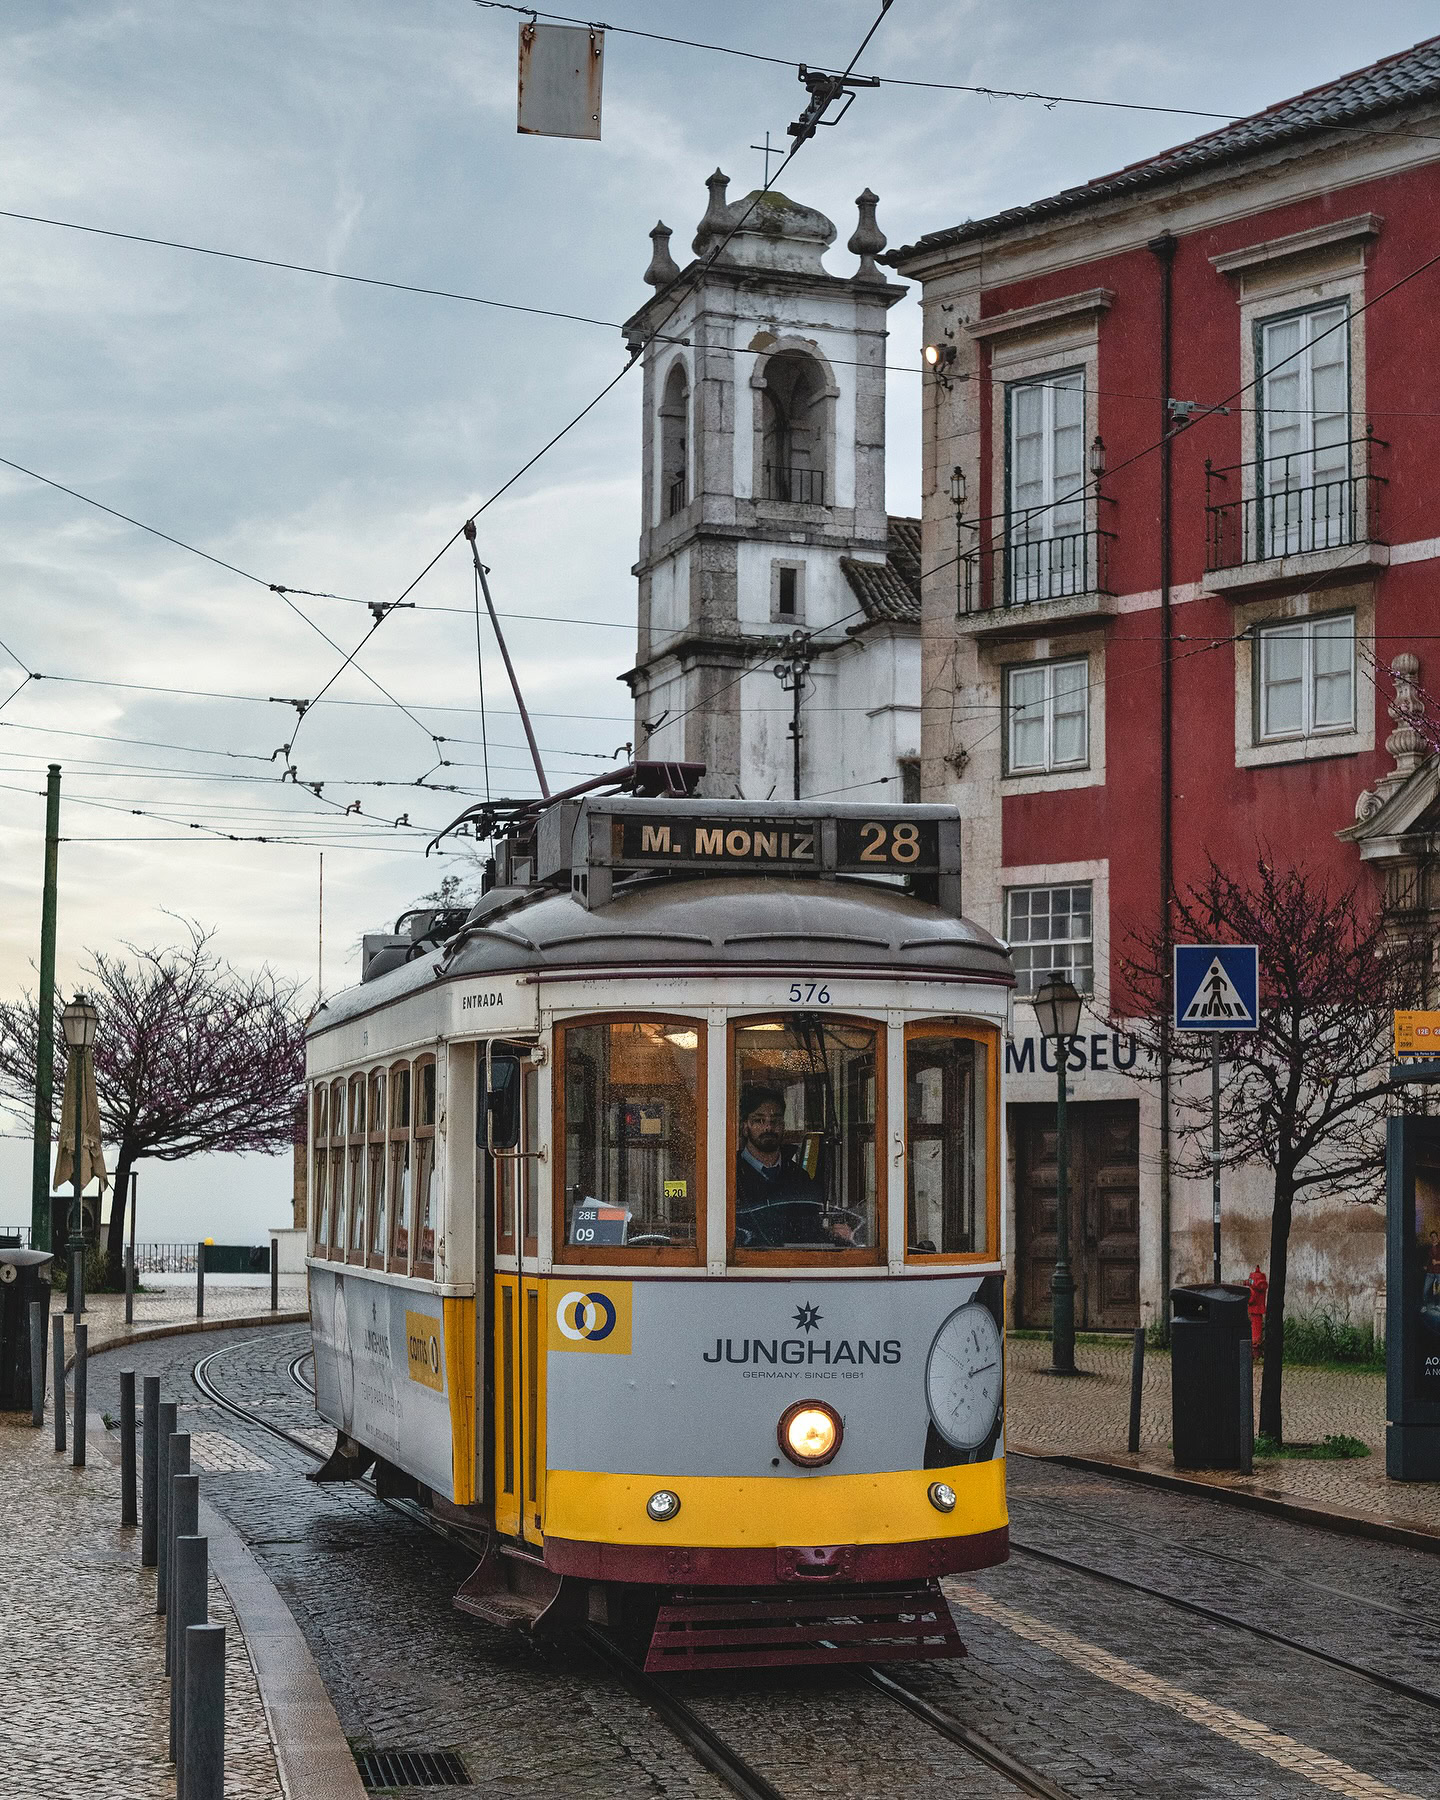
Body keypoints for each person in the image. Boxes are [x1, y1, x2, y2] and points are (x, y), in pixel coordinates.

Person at [734, 1084, 855, 1248]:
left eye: (775, 1120)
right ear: (744, 1127)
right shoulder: (729, 1175)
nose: (768, 1127)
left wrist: (836, 1236)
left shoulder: (799, 1178)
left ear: (783, 1125)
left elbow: (809, 1236)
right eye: (759, 1120)